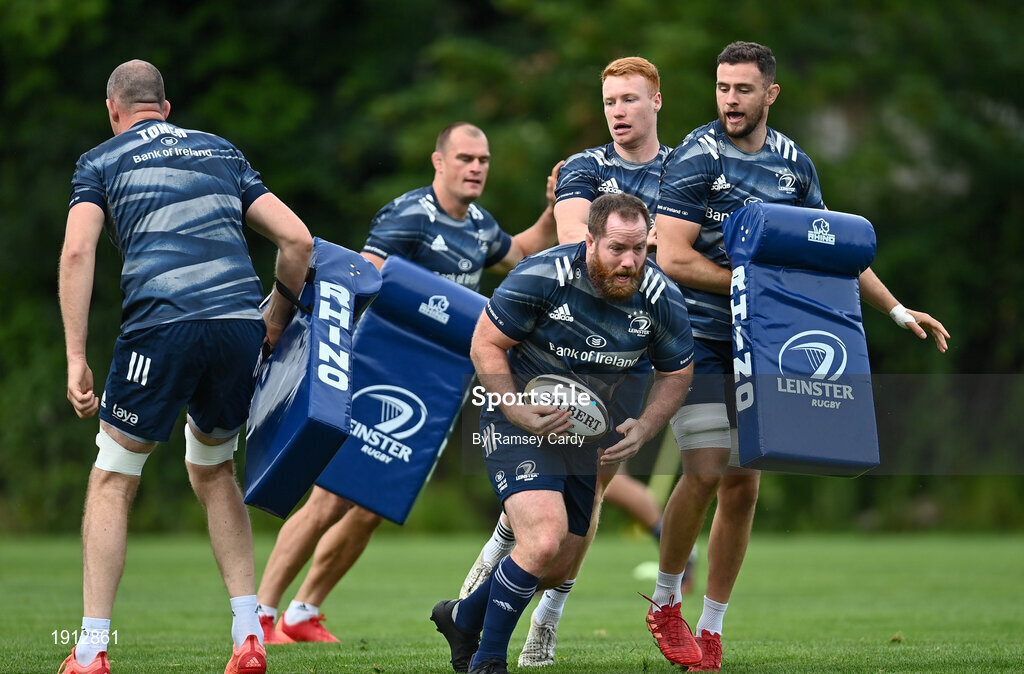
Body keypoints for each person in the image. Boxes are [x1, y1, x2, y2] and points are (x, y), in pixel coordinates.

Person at [646, 41, 951, 671]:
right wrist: (751, 284)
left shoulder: (794, 166)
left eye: (743, 90)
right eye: (723, 88)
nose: (730, 100)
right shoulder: (695, 158)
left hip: (764, 345)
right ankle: (666, 601)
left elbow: (831, 251)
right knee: (703, 469)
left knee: (742, 487)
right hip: (696, 337)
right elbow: (671, 257)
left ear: (770, 95)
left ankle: (713, 627)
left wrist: (895, 309)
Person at [255, 122, 561, 644]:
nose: (476, 168)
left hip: (434, 383)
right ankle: (260, 615)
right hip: (379, 371)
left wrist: (555, 208)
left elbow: (521, 251)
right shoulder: (410, 215)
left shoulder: (481, 224)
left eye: (483, 160)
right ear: (439, 162)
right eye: (465, 158)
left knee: (374, 505)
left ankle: (303, 613)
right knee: (328, 500)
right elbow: (364, 279)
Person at [58, 60, 314, 674]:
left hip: (160, 327)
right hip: (236, 329)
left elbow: (76, 250)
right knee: (214, 469)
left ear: (113, 111)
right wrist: (275, 316)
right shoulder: (221, 152)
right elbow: (298, 240)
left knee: (114, 478)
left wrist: (74, 355)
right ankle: (248, 635)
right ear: (166, 108)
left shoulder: (101, 160)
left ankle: (91, 650)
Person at [457, 56, 697, 668]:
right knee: (544, 522)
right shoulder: (587, 167)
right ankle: (502, 563)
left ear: (657, 103)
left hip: (633, 354)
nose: (617, 112)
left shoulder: (686, 170)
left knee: (581, 515)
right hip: (564, 347)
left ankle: (547, 615)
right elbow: (573, 246)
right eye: (609, 100)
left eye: (629, 100)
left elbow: (690, 253)